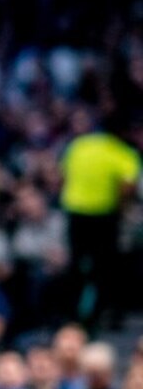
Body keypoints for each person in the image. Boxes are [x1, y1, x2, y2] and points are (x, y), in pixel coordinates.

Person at [59, 112, 140, 327]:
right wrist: (121, 207)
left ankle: (74, 316)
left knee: (77, 266)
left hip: (75, 213)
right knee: (107, 268)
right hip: (104, 216)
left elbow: (64, 174)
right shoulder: (123, 153)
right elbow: (128, 187)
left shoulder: (79, 146)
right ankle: (108, 315)